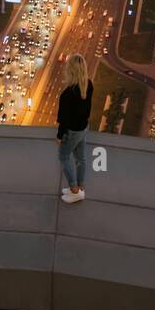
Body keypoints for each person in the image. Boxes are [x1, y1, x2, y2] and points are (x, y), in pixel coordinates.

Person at [56, 53, 92, 202]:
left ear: (70, 70)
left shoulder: (68, 93)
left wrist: (59, 136)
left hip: (72, 131)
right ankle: (80, 186)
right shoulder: (88, 85)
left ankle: (74, 189)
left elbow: (64, 119)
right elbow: (87, 109)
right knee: (81, 158)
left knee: (64, 156)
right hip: (83, 128)